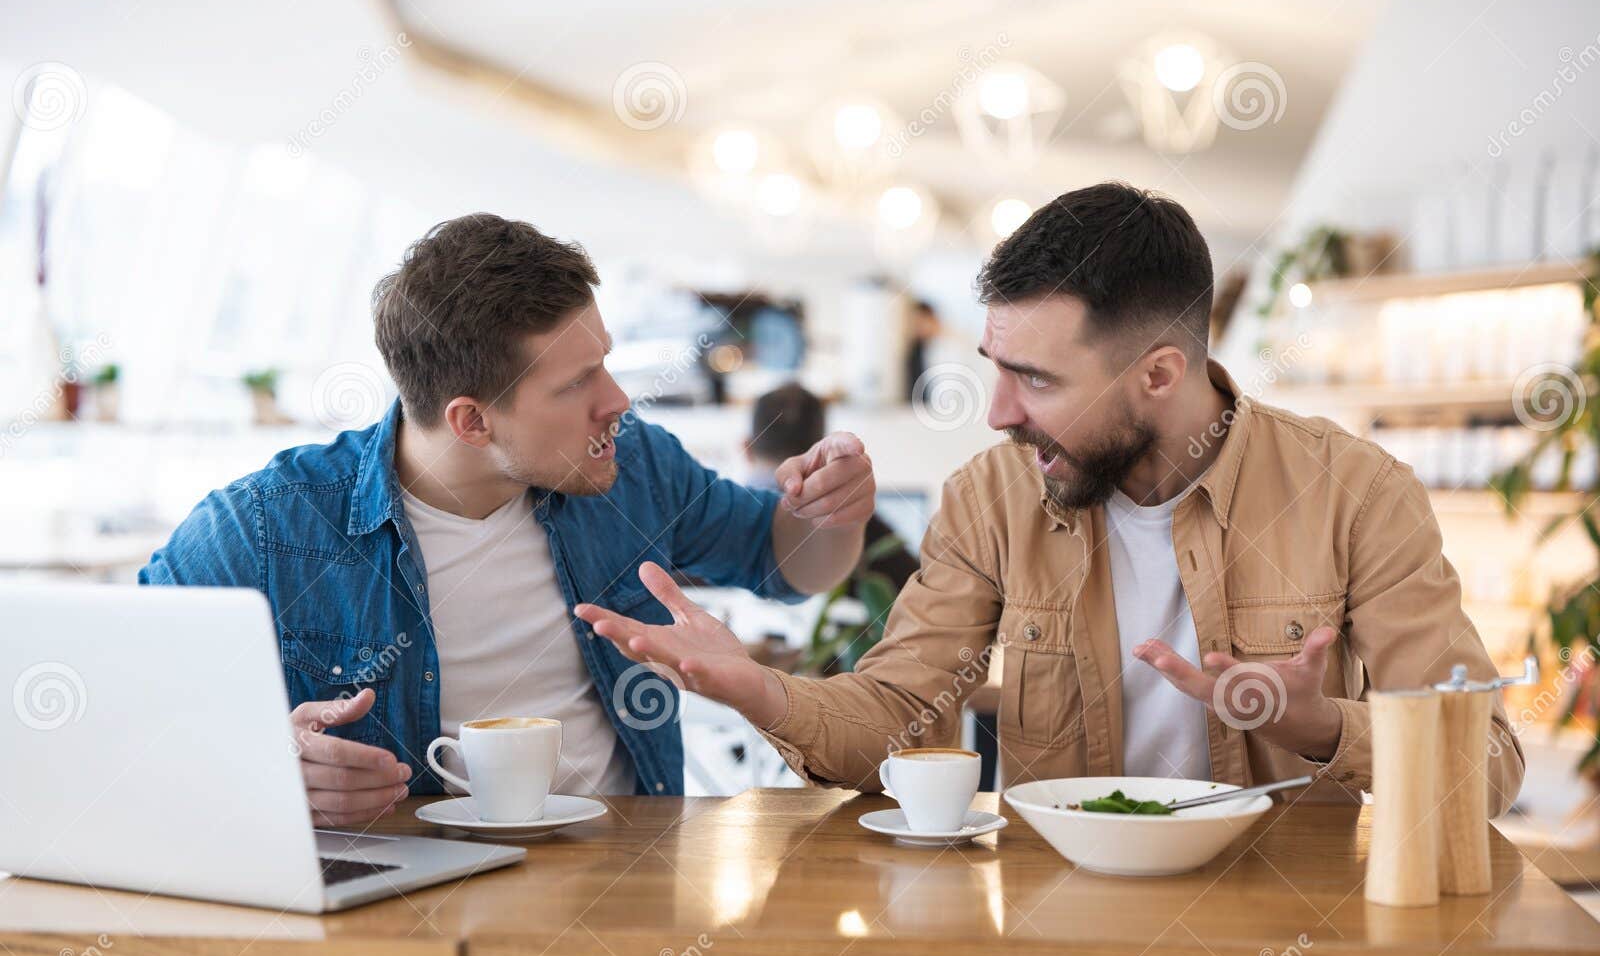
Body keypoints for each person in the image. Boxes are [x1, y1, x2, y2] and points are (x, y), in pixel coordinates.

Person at [141, 214, 871, 956]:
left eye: (606, 358)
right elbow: (126, 713)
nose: (619, 399)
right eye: (579, 381)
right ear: (471, 420)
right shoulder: (268, 526)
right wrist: (263, 764)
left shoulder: (632, 465)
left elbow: (788, 562)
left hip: (639, 937)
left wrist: (833, 515)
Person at [578, 181, 1526, 815]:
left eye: (1035, 379)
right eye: (995, 367)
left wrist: (1315, 724)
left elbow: (1487, 765)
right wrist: (763, 690)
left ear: (1159, 374)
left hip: (1285, 949)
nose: (995, 413)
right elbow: (900, 716)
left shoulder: (1356, 493)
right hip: (1052, 936)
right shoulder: (991, 500)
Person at [744, 382, 920, 594]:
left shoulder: (716, 521)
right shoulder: (858, 524)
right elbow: (916, 591)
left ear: (746, 448)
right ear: (820, 449)